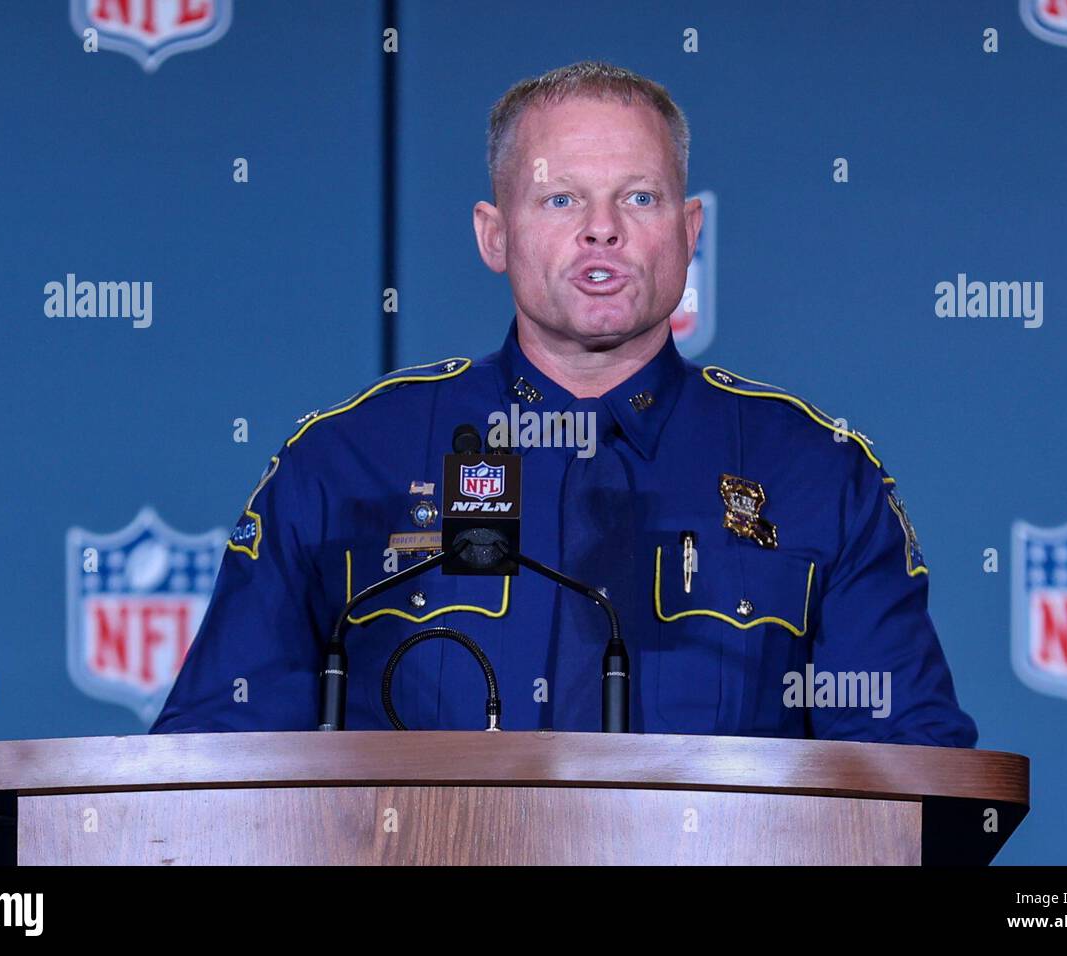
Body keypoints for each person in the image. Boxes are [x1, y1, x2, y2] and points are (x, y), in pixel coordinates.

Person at [151, 61, 978, 746]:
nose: (602, 230)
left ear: (692, 232)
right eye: (560, 199)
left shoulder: (814, 474)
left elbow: (912, 783)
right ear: (493, 234)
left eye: (640, 198)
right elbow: (212, 761)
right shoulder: (349, 462)